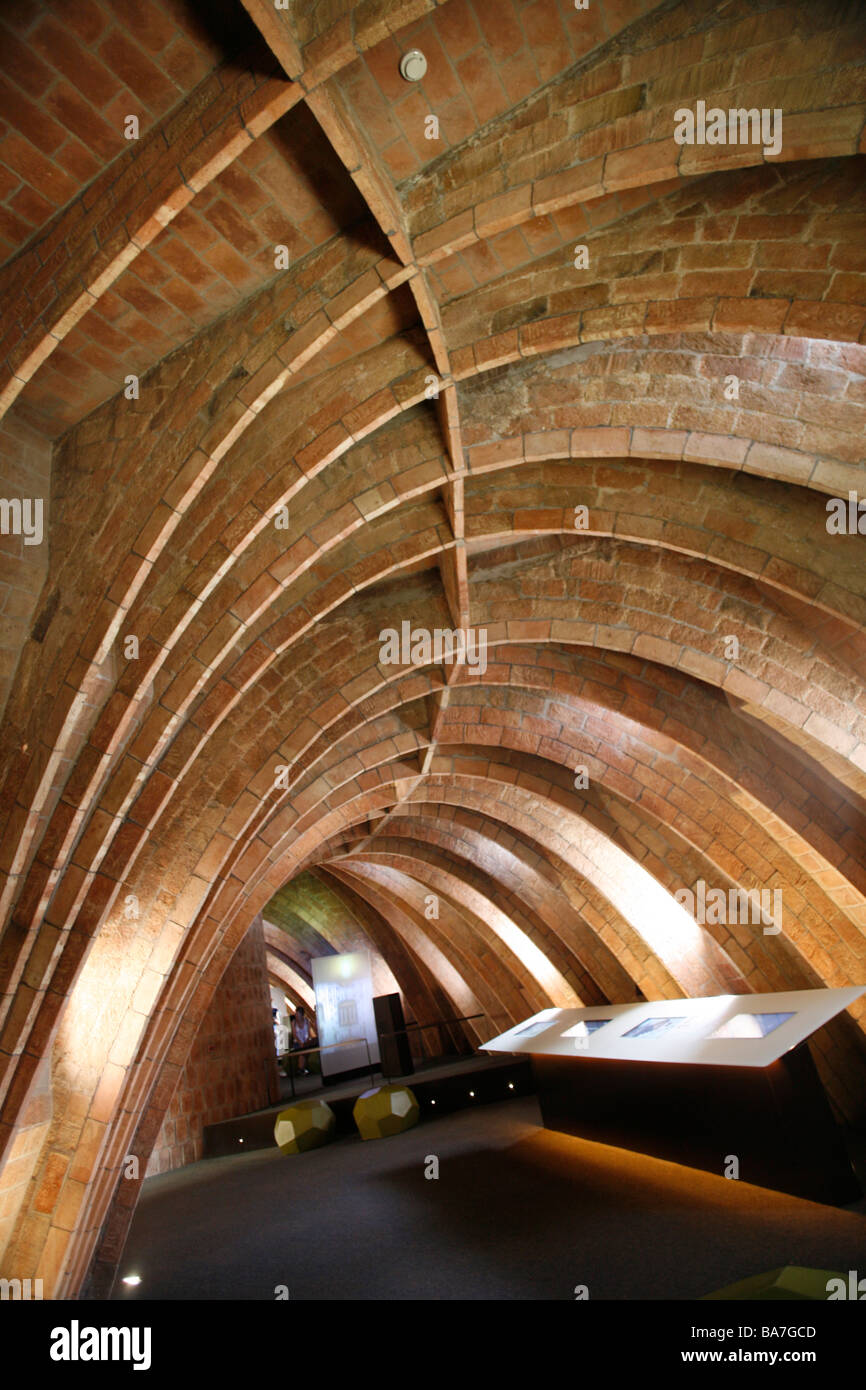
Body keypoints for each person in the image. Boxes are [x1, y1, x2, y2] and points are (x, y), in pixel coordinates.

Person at [291, 1004, 316, 1075]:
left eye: (297, 1014)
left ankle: (301, 1069)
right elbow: (294, 1035)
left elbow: (308, 1033)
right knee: (303, 1051)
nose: (296, 1015)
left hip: (305, 1042)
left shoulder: (307, 1021)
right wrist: (300, 1043)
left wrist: (307, 1040)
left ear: (301, 1015)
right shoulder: (294, 1022)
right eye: (296, 1014)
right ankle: (302, 1069)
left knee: (305, 1050)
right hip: (297, 1043)